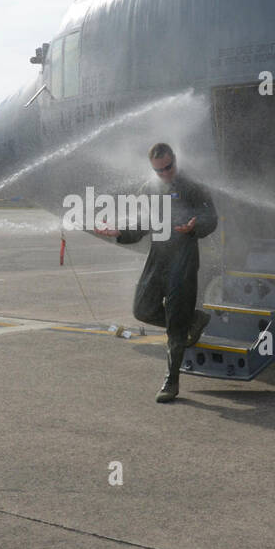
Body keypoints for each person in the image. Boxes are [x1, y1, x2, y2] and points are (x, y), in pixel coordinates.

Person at [97, 143, 216, 403]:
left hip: (183, 259)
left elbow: (211, 219)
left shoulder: (193, 186)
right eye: (158, 170)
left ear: (175, 161)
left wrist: (195, 226)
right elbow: (141, 226)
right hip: (158, 257)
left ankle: (171, 381)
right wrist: (118, 232)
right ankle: (194, 320)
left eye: (168, 168)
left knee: (175, 322)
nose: (164, 174)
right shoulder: (149, 189)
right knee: (142, 309)